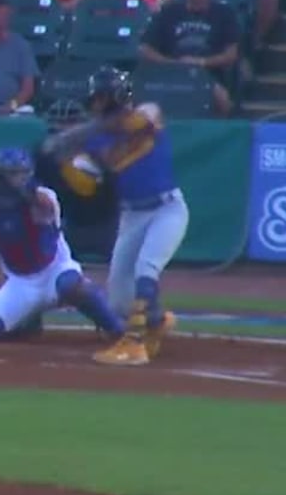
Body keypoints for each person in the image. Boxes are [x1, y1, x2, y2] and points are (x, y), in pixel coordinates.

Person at [40, 66, 186, 361]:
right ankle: (156, 321)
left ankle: (134, 344)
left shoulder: (147, 114)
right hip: (132, 215)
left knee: (147, 268)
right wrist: (69, 160)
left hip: (166, 208)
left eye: (100, 98)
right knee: (119, 300)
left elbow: (138, 119)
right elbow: (87, 182)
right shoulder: (95, 143)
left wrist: (75, 135)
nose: (95, 104)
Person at [0, 147, 140, 366]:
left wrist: (26, 200)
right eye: (11, 173)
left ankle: (114, 328)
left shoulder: (44, 198)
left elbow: (45, 237)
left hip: (55, 270)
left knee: (71, 285)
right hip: (21, 282)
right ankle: (28, 319)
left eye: (21, 172)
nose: (17, 178)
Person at [138, 0, 242, 114]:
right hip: (170, 74)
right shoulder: (169, 11)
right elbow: (145, 49)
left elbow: (231, 54)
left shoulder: (224, 13)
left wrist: (201, 62)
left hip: (208, 74)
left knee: (222, 99)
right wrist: (173, 64)